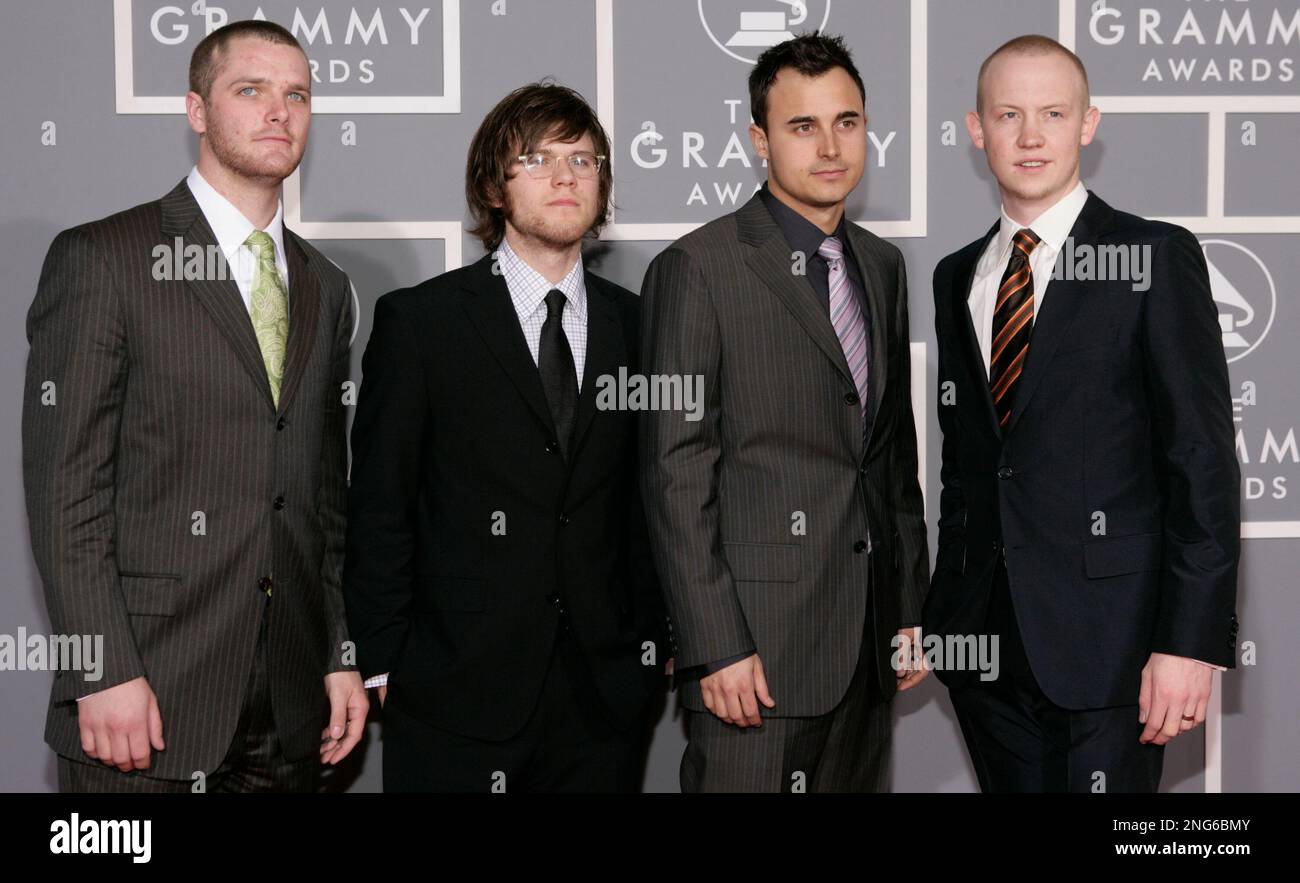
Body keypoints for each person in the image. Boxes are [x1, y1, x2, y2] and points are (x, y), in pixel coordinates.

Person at [23, 19, 366, 792]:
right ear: (197, 110)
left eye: (297, 95)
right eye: (251, 90)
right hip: (145, 698)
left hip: (292, 702)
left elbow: (324, 497)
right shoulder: (104, 258)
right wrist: (99, 668)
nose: (279, 111)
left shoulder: (326, 286)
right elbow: (63, 490)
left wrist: (340, 649)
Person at [923, 34, 1240, 792]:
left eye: (1053, 113)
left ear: (1087, 125)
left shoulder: (1153, 255)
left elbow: (1200, 460)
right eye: (1008, 115)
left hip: (1115, 649)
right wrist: (941, 623)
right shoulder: (954, 275)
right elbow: (970, 468)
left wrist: (1188, 645)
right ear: (976, 130)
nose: (1030, 136)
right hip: (984, 652)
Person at [344, 82, 670, 793]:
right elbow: (379, 503)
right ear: (494, 186)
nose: (564, 176)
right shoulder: (421, 324)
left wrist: (653, 645)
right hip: (450, 694)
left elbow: (652, 500)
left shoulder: (643, 326)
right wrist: (384, 661)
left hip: (605, 700)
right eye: (537, 159)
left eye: (583, 161)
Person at [639, 33, 930, 793]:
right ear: (760, 140)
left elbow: (889, 453)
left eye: (848, 121)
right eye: (803, 127)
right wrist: (713, 644)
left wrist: (905, 608)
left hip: (867, 651)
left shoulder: (883, 266)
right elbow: (675, 473)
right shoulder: (698, 268)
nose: (831, 146)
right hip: (756, 659)